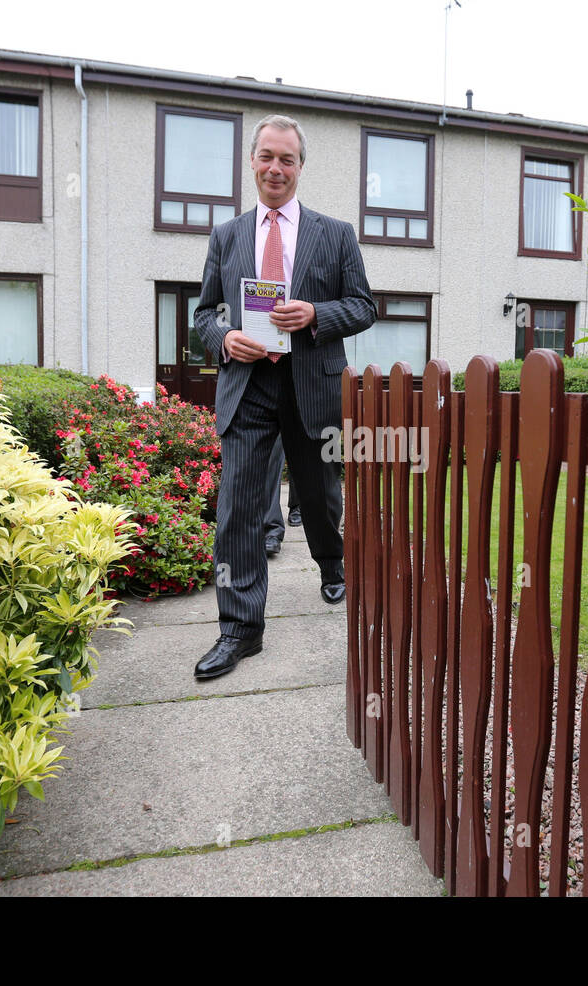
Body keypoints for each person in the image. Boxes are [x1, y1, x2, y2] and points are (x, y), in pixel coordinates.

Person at [191, 113, 375, 681]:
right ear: (252, 161)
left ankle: (331, 561)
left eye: (287, 159)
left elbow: (366, 306)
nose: (276, 167)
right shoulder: (227, 237)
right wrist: (225, 337)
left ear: (300, 167)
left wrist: (318, 313)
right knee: (238, 510)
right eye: (267, 156)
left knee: (319, 499)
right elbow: (202, 315)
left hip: (313, 385)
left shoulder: (335, 233)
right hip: (248, 388)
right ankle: (240, 630)